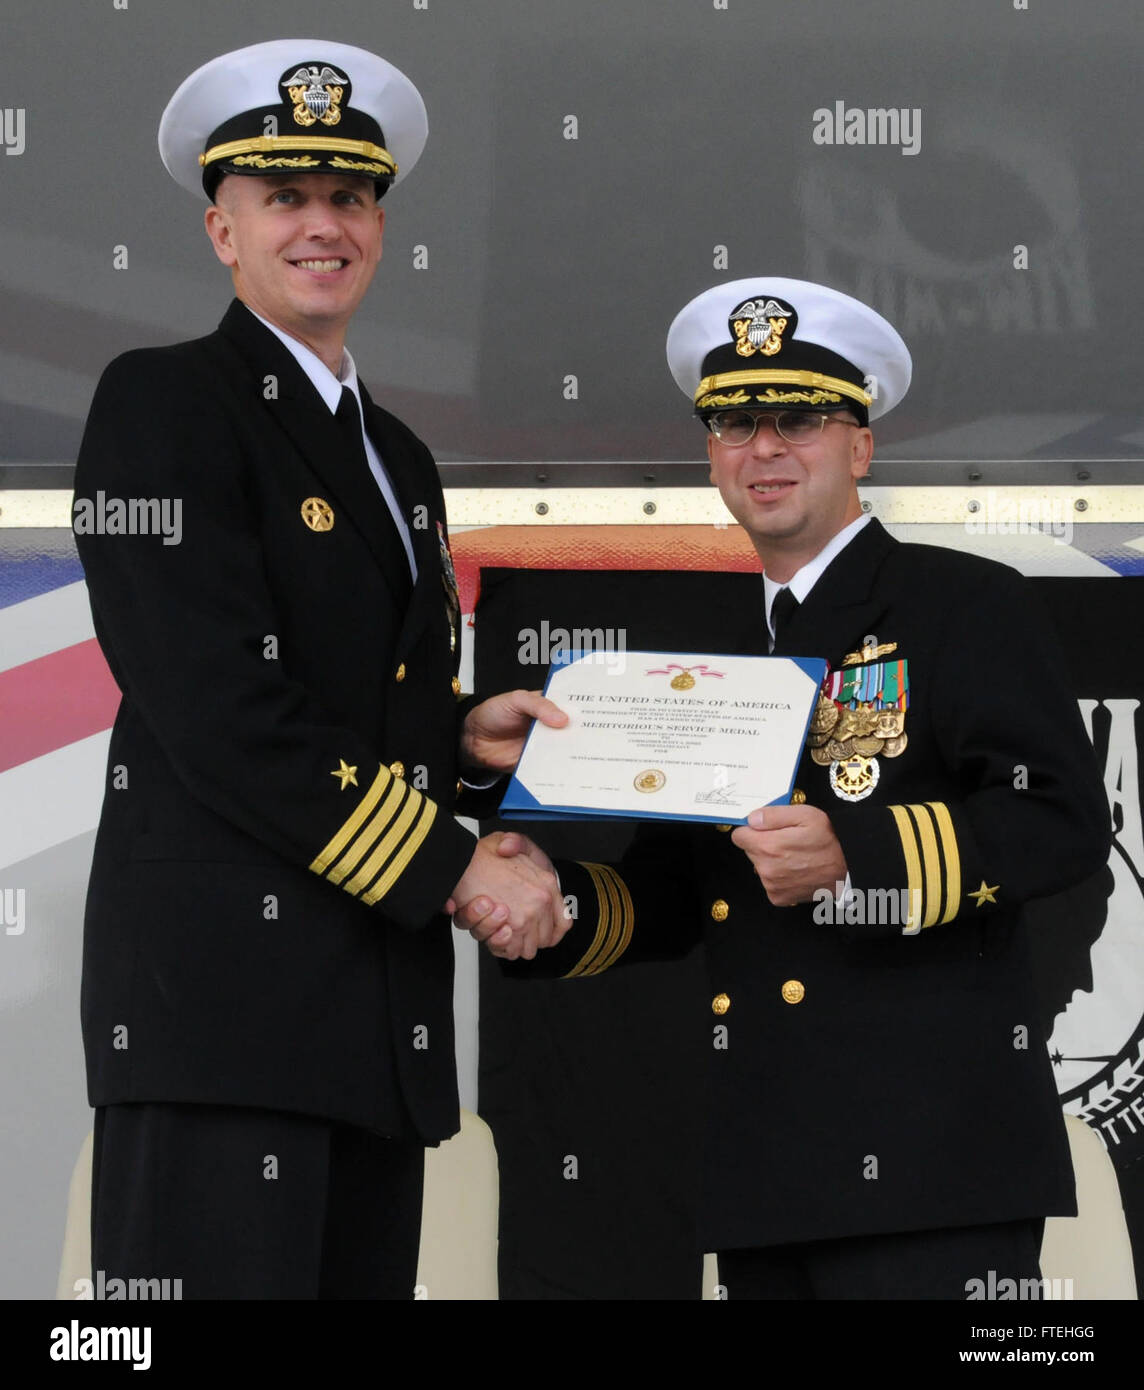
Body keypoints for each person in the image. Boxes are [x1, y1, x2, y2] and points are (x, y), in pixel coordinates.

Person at [455, 277, 1112, 1299]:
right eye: (732, 422)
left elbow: (1059, 818)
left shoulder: (964, 603)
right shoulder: (718, 656)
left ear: (860, 442)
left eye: (797, 419)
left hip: (933, 1174)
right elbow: (681, 888)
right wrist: (553, 910)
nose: (762, 448)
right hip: (764, 1174)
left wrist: (860, 852)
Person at [73, 39, 567, 1300]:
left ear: (381, 227)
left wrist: (458, 736)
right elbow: (222, 710)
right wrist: (457, 866)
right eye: (284, 195)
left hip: (367, 1024)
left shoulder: (398, 454)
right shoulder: (162, 401)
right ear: (221, 229)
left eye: (347, 197)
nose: (320, 224)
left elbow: (344, 687)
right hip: (222, 1022)